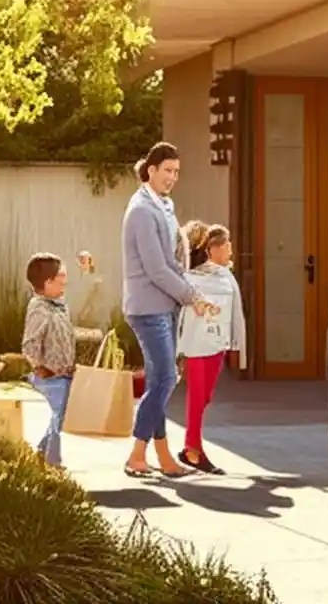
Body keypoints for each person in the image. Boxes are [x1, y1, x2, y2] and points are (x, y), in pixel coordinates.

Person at [122, 142, 211, 478]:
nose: (173, 177)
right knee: (167, 377)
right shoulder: (142, 210)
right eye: (167, 170)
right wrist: (192, 296)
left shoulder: (164, 205)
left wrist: (190, 292)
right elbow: (157, 269)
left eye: (176, 171)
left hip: (166, 304)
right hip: (148, 307)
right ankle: (136, 453)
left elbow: (174, 260)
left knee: (158, 380)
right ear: (151, 171)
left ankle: (161, 456)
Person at [176, 221, 247, 475]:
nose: (230, 248)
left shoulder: (226, 276)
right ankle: (192, 449)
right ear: (210, 249)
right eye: (225, 244)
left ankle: (190, 447)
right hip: (196, 343)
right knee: (197, 395)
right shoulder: (192, 277)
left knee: (204, 395)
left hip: (217, 342)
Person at [21, 253, 77, 469]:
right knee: (55, 420)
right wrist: (39, 366)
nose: (64, 279)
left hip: (65, 374)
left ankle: (39, 456)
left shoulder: (60, 305)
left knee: (59, 420)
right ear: (47, 282)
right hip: (50, 376)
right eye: (60, 276)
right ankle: (52, 464)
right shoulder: (39, 308)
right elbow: (30, 344)